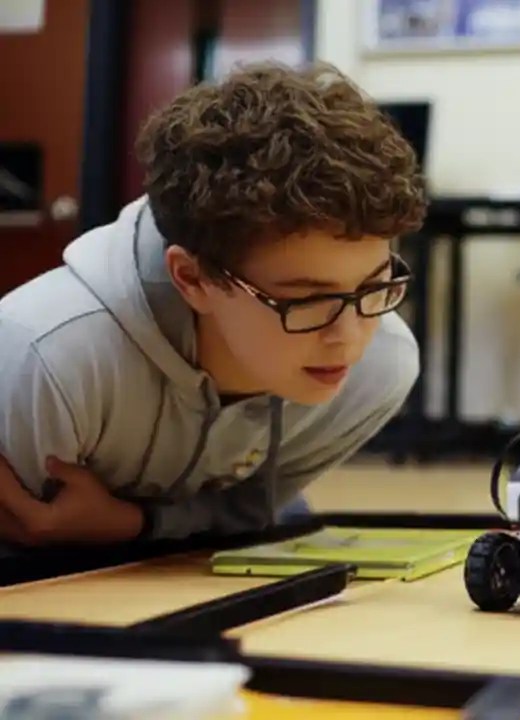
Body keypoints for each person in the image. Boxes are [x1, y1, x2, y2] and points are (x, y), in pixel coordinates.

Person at [0, 62, 426, 551]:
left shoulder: (380, 365)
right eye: (307, 300)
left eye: (374, 287)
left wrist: (134, 524)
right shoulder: (52, 356)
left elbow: (248, 513)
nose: (349, 339)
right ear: (192, 277)